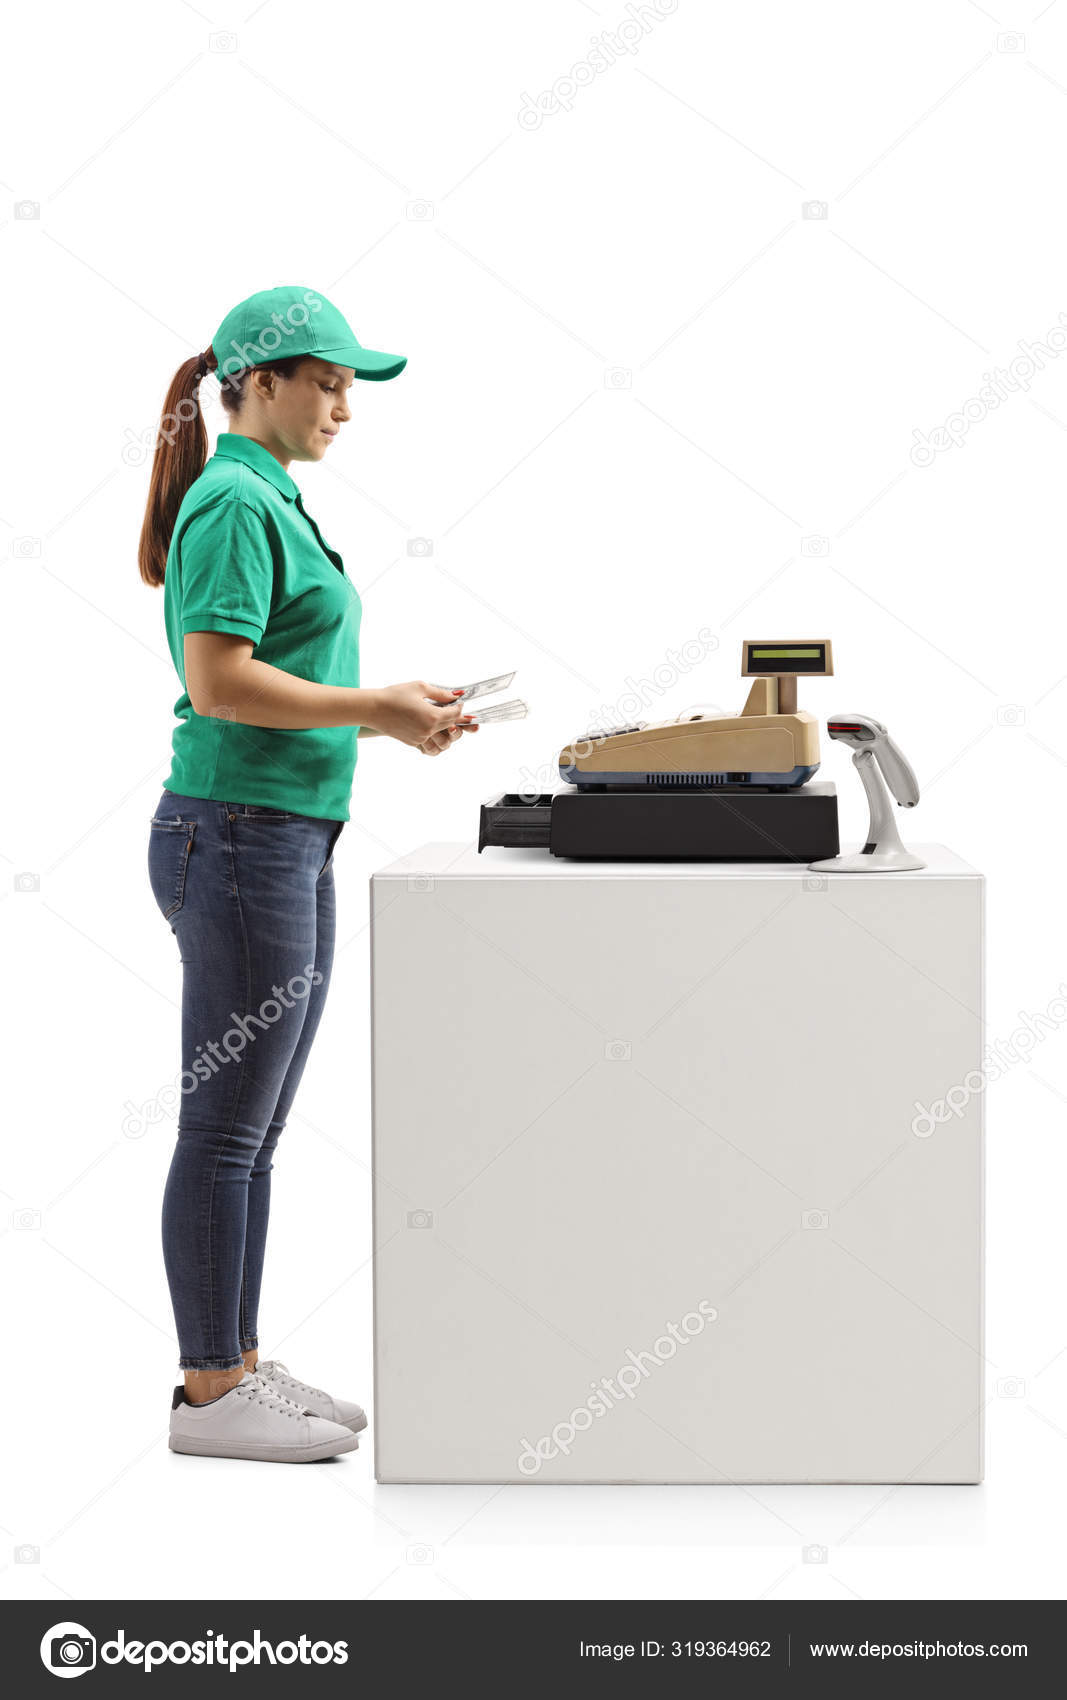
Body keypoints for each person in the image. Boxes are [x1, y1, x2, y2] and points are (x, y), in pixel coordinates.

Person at [139, 285, 477, 1463]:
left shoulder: (267, 495)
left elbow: (275, 666)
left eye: (349, 384)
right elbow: (220, 679)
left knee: (255, 1127)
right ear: (261, 380)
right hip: (236, 835)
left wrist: (392, 712)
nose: (344, 403)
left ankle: (230, 1360)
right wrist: (375, 711)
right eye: (327, 379)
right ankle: (208, 1388)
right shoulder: (233, 499)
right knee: (225, 1128)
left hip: (279, 835)